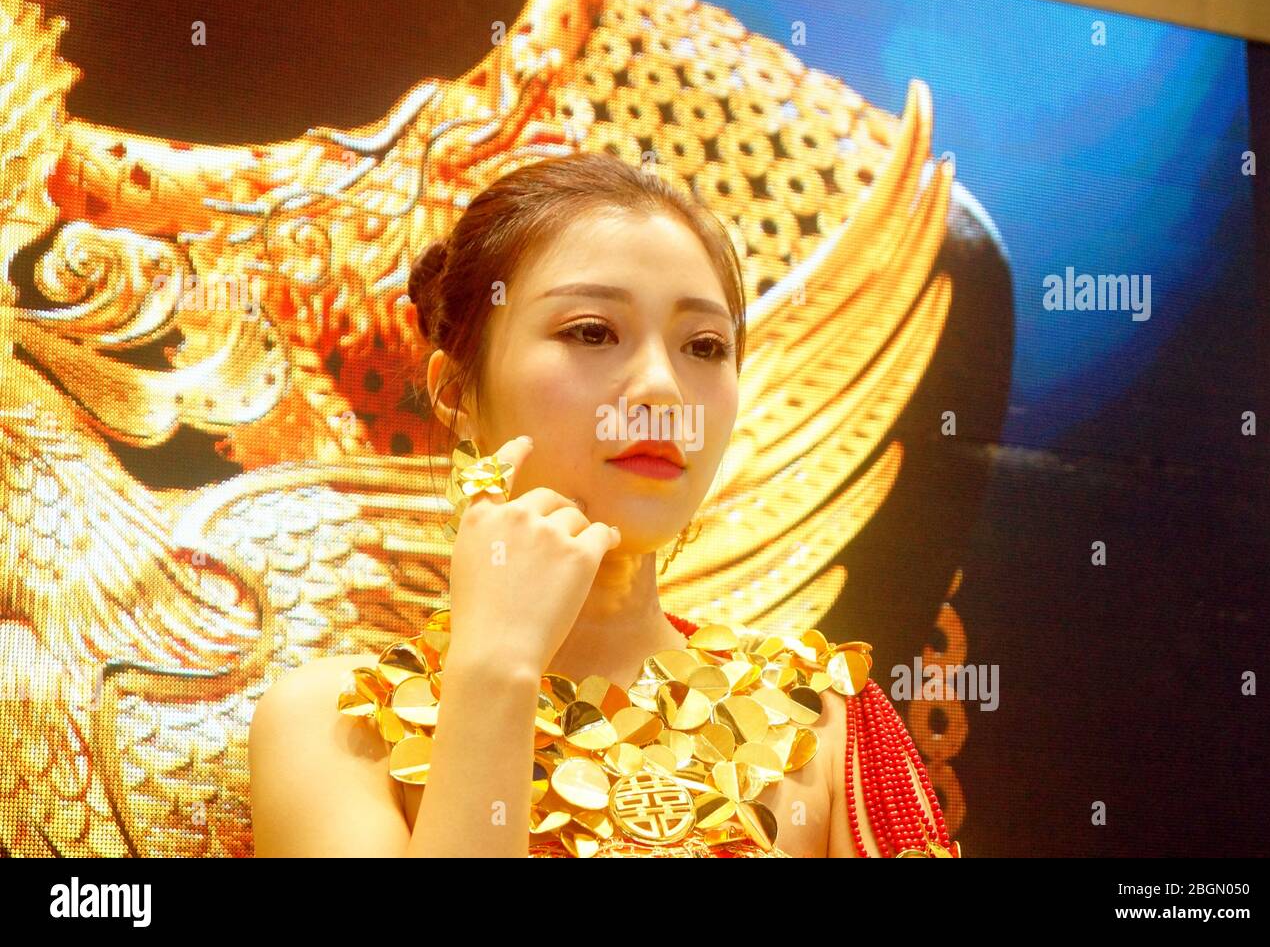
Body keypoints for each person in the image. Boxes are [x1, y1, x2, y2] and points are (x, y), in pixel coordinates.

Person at [249, 151, 957, 858]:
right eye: (592, 331)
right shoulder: (341, 724)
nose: (661, 390)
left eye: (704, 345)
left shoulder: (821, 718)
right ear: (456, 392)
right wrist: (496, 672)